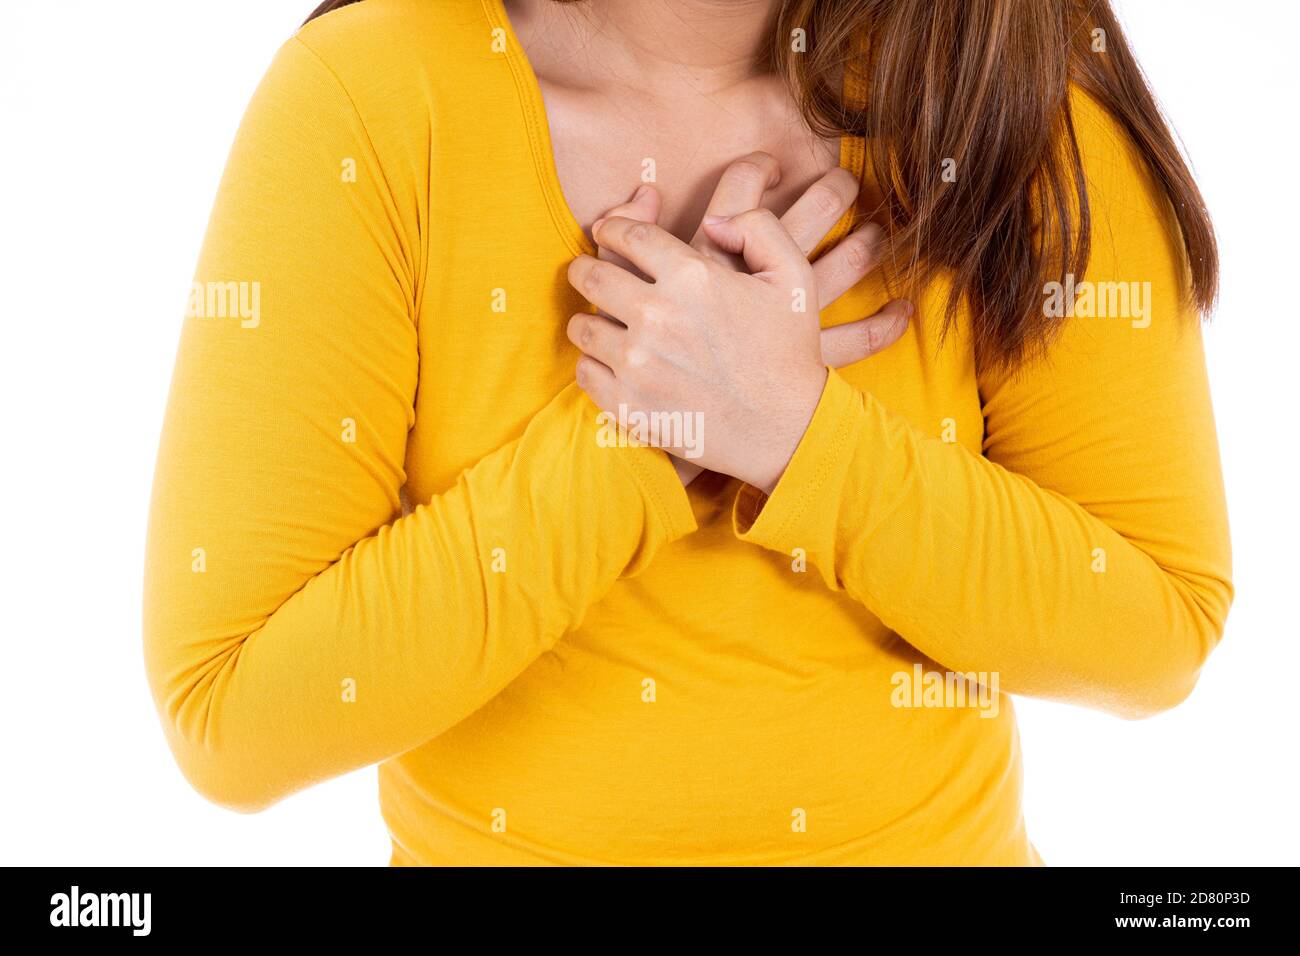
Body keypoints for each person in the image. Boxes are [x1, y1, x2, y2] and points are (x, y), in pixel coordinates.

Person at [143, 0, 1232, 865]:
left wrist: (802, 436)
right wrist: (645, 431)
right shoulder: (368, 96)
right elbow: (232, 711)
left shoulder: (1012, 93)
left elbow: (1156, 626)